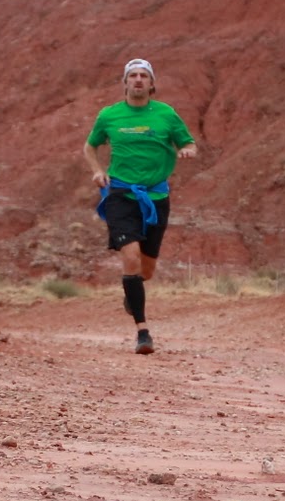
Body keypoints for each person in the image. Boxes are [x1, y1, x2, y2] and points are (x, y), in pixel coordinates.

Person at [82, 58, 198, 354]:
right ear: (124, 82)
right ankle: (143, 333)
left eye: (143, 76)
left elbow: (189, 142)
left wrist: (186, 149)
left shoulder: (166, 114)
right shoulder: (109, 116)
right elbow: (90, 146)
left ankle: (132, 292)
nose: (137, 80)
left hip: (156, 198)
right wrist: (97, 170)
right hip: (121, 194)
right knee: (130, 258)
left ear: (151, 84)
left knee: (146, 270)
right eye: (132, 75)